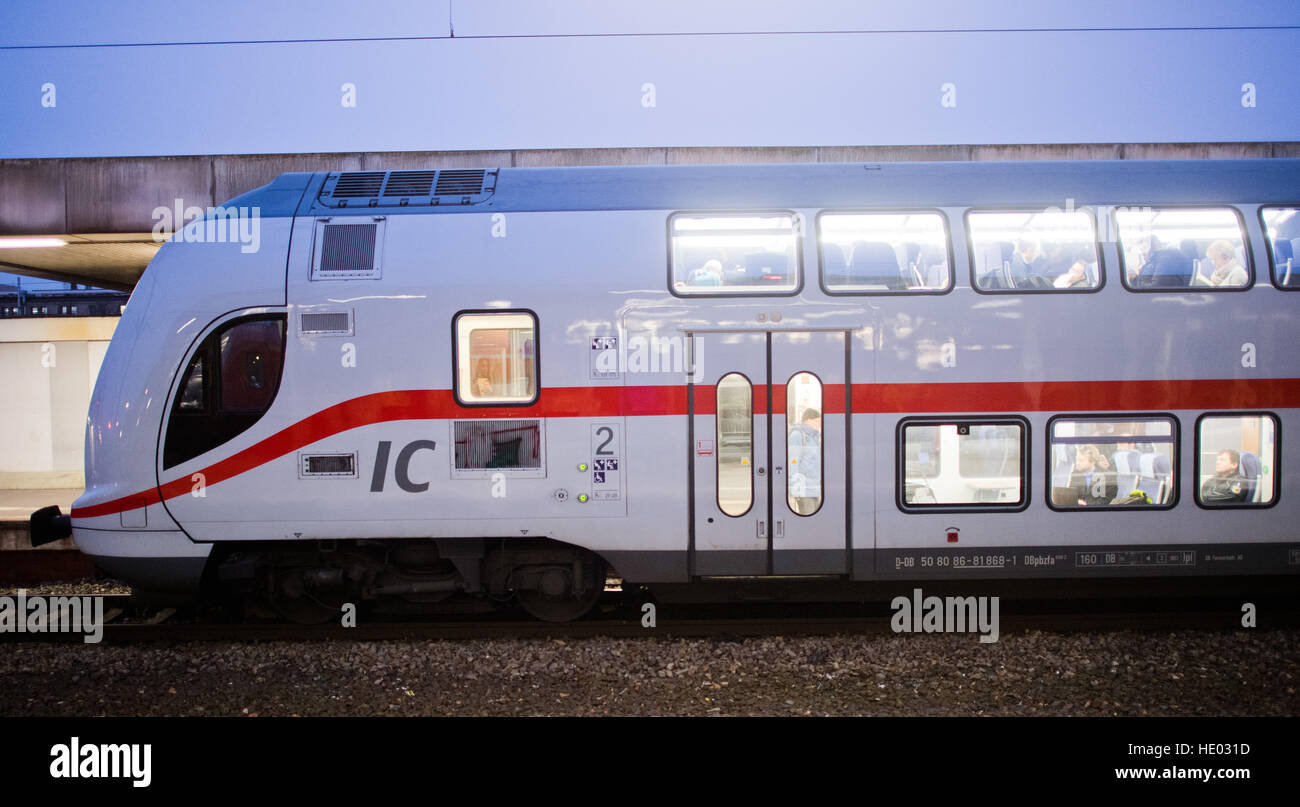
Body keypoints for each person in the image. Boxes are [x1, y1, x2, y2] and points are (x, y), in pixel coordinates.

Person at [787, 408, 822, 515]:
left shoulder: (814, 437)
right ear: (808, 420)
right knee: (808, 520)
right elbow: (793, 463)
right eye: (817, 421)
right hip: (804, 489)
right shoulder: (797, 436)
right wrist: (795, 487)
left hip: (815, 487)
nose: (819, 424)